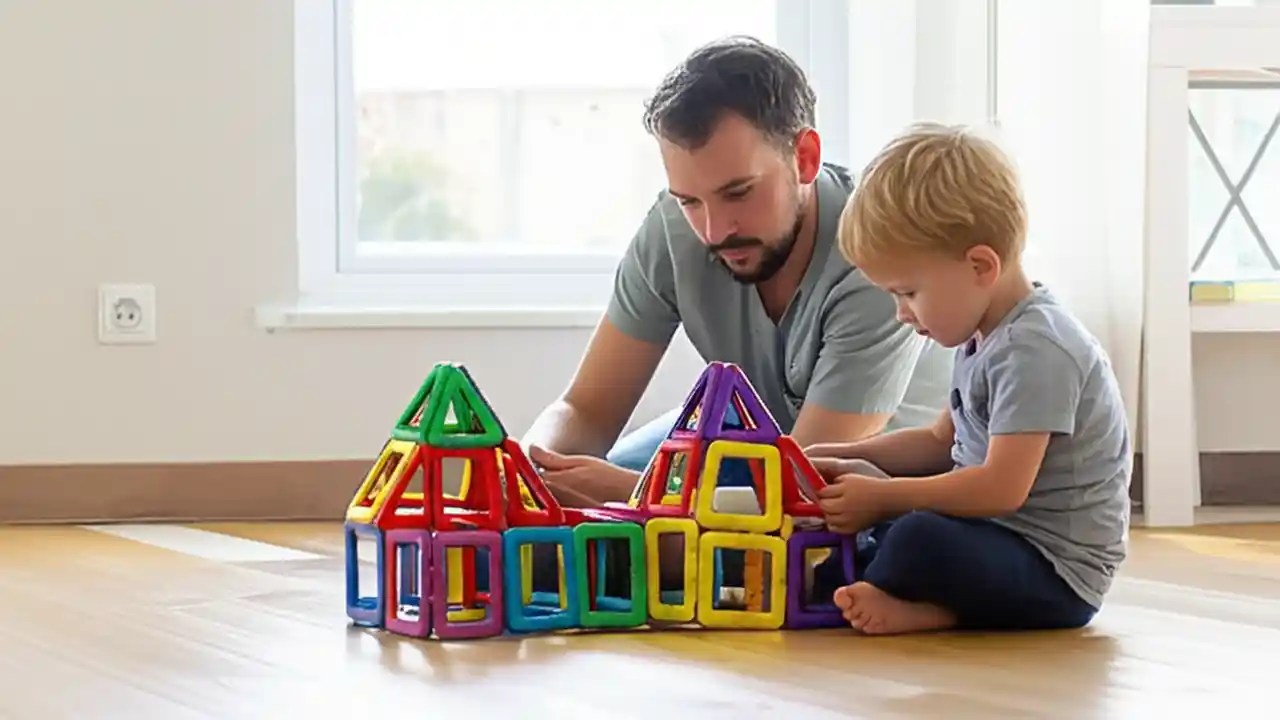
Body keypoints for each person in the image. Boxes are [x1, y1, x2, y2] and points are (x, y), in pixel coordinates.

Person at [521, 36, 951, 508]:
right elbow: (585, 410)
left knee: (648, 535)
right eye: (689, 200)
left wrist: (636, 495)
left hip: (865, 481)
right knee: (549, 515)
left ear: (804, 158)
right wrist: (527, 472)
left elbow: (803, 489)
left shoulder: (874, 254)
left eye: (739, 193)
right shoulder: (673, 230)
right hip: (739, 437)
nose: (714, 231)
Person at [805, 122, 1132, 635]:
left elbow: (1001, 488)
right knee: (881, 527)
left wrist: (885, 495)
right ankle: (865, 587)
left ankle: (937, 611)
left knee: (913, 537)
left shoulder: (1036, 348)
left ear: (980, 265)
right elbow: (940, 442)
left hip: (1055, 574)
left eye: (908, 293)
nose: (901, 314)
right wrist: (844, 457)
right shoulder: (985, 333)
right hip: (991, 538)